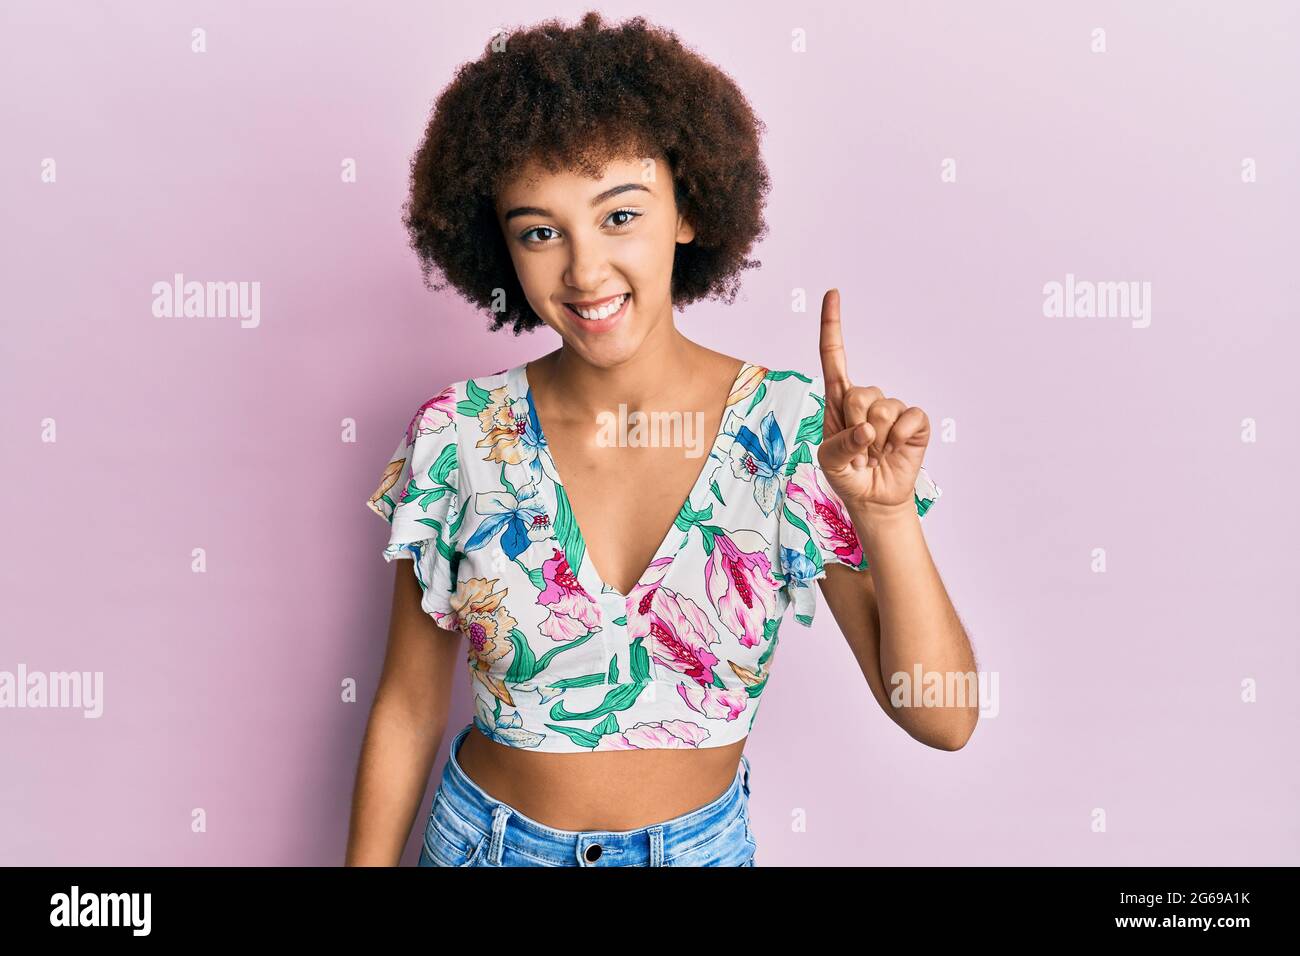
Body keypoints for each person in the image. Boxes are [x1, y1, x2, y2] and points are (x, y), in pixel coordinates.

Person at [346, 11, 974, 868]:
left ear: (688, 211)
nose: (584, 271)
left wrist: (887, 516)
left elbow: (942, 718)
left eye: (619, 216)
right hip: (483, 847)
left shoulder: (789, 433)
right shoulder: (458, 435)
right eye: (540, 231)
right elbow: (409, 706)